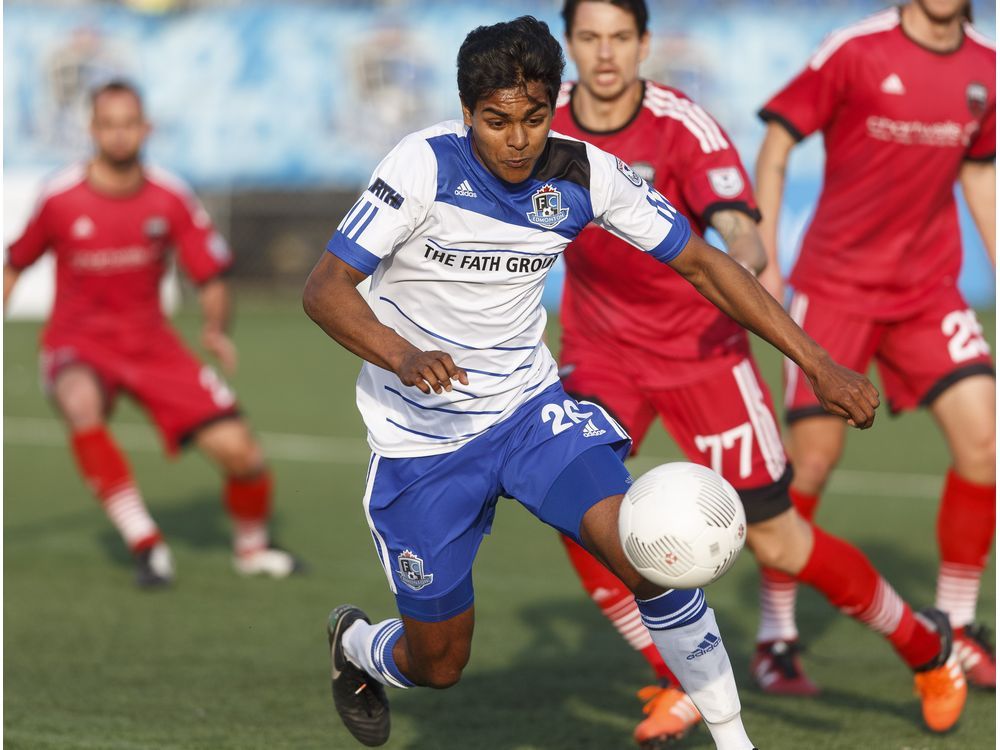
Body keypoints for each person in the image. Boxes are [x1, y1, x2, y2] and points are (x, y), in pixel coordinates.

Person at [303, 16, 881, 750]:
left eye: (534, 118)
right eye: (496, 121)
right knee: (439, 664)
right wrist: (402, 354)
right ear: (467, 113)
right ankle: (357, 647)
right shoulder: (421, 166)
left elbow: (704, 264)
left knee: (646, 552)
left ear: (553, 105)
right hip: (421, 442)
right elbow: (324, 289)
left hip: (527, 414)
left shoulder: (585, 172)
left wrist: (816, 361)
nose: (517, 139)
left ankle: (735, 741)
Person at [551, 0, 971, 741]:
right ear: (570, 44)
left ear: (646, 44)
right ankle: (677, 676)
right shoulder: (545, 131)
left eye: (621, 38)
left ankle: (924, 644)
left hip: (702, 352)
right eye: (590, 38)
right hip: (601, 351)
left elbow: (739, 226)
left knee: (779, 540)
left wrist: (742, 257)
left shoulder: (684, 126)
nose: (606, 54)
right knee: (572, 503)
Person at [755, 0, 996, 692]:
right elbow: (776, 143)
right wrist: (768, 260)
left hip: (928, 291)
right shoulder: (854, 50)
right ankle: (776, 634)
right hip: (834, 292)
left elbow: (979, 172)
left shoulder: (988, 64)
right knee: (812, 466)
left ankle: (958, 624)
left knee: (985, 442)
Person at [3, 80, 299, 587]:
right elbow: (15, 264)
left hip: (151, 345)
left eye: (129, 124)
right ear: (93, 130)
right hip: (78, 342)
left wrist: (215, 328)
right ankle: (145, 542)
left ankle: (251, 551)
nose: (119, 135)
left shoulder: (169, 196)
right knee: (79, 401)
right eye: (108, 124)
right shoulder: (60, 198)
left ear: (145, 128)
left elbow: (210, 272)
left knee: (243, 455)